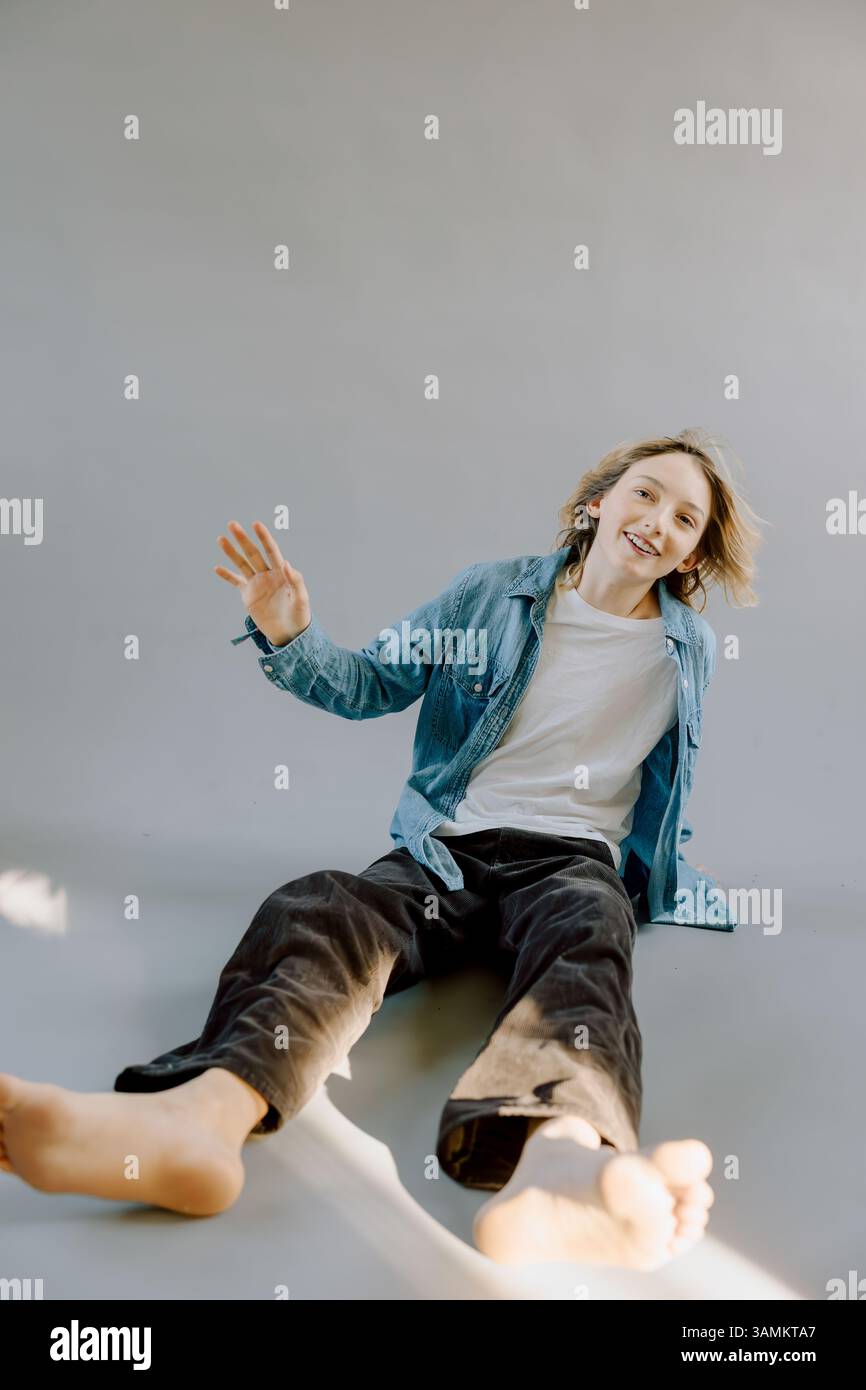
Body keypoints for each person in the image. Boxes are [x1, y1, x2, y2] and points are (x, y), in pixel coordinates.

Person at [0, 429, 764, 1271]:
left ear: (691, 557)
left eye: (686, 519)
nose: (660, 520)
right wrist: (292, 635)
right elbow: (371, 683)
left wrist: (656, 873)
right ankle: (200, 1123)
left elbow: (662, 784)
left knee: (589, 938)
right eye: (647, 493)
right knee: (321, 909)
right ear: (597, 504)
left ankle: (556, 1164)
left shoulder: (686, 651)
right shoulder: (491, 595)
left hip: (572, 859)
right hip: (450, 850)